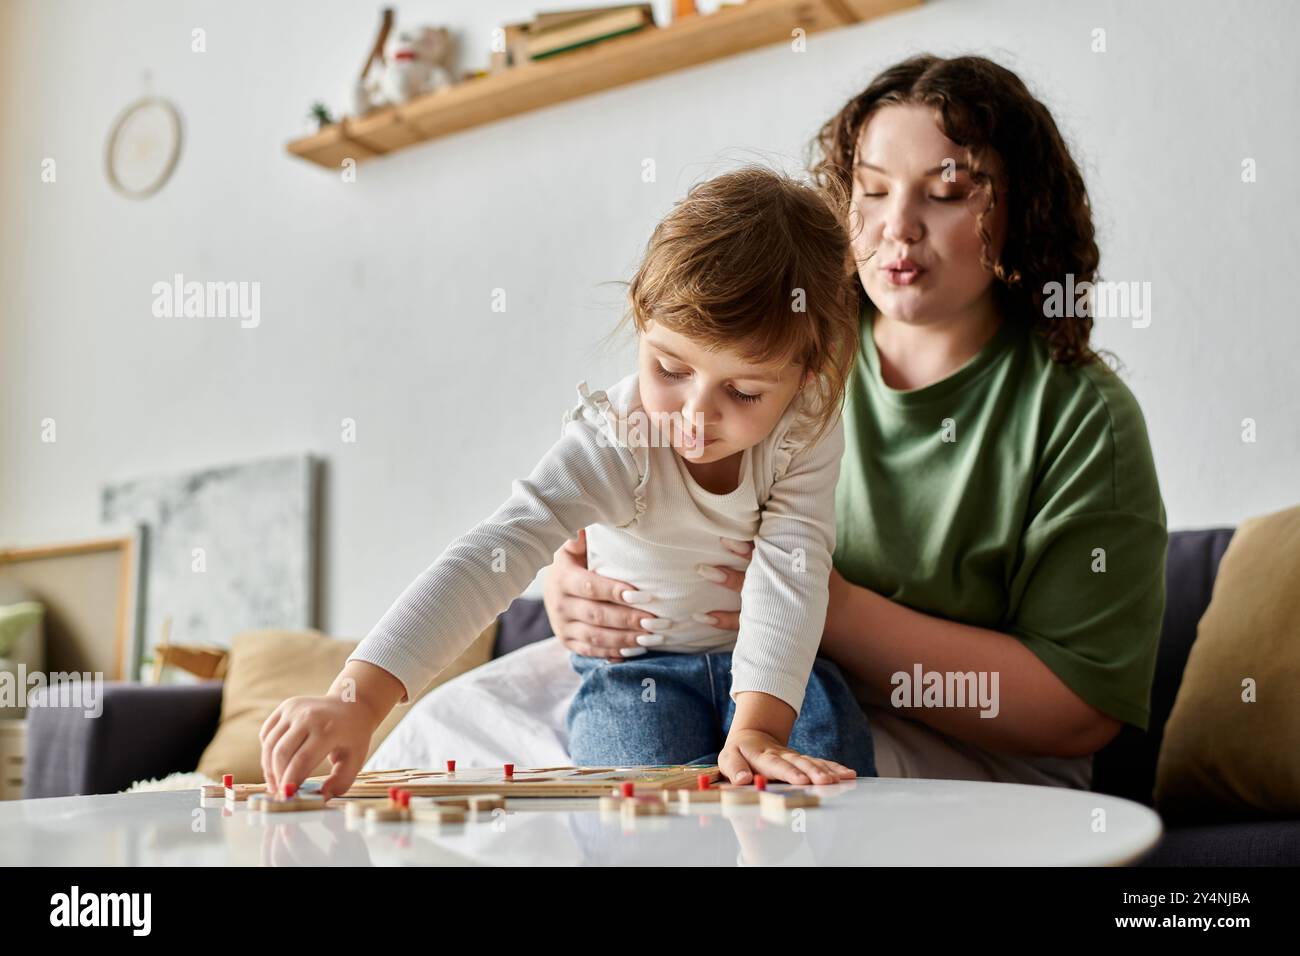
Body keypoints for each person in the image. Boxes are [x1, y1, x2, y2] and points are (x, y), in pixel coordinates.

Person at [544, 54, 1169, 789]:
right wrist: (581, 589)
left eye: (946, 192)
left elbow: (1078, 710)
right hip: (730, 677)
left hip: (946, 741)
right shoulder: (788, 361)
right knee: (466, 728)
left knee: (766, 793)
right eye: (870, 191)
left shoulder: (1080, 415)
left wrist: (828, 607)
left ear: (1020, 210)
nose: (896, 227)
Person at [260, 166, 876, 799]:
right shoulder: (617, 438)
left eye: (744, 391)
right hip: (638, 669)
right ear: (641, 321)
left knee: (828, 772)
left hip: (771, 671)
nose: (695, 416)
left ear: (806, 377)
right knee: (641, 793)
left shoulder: (806, 427)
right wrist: (358, 700)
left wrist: (758, 729)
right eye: (670, 368)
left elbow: (791, 571)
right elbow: (493, 552)